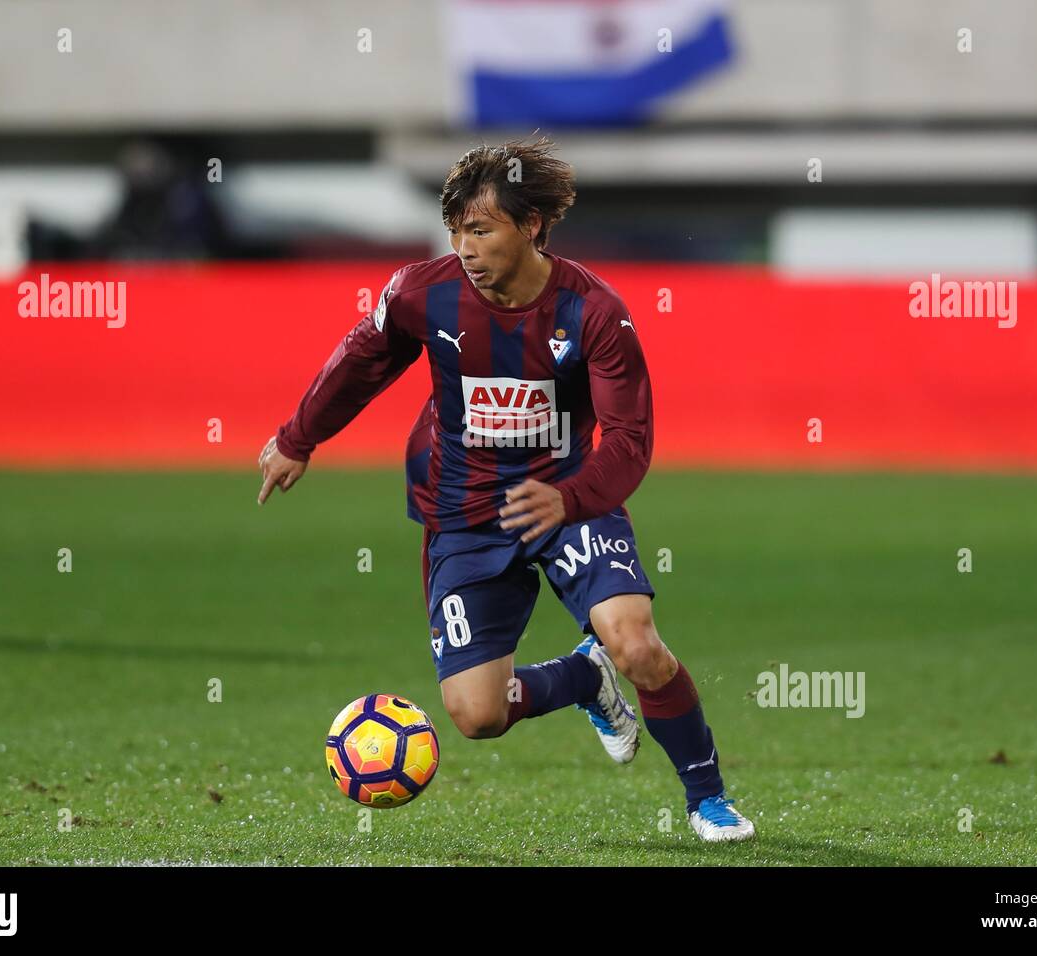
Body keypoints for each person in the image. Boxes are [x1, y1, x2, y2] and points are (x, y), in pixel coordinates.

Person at [257, 137, 753, 842]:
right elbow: (359, 363)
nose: (465, 247)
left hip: (569, 500)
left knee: (636, 644)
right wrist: (297, 437)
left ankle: (707, 798)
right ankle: (584, 681)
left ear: (532, 227)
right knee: (476, 716)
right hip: (462, 515)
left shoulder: (594, 313)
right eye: (456, 231)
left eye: (482, 230)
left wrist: (573, 498)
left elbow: (629, 440)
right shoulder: (420, 294)